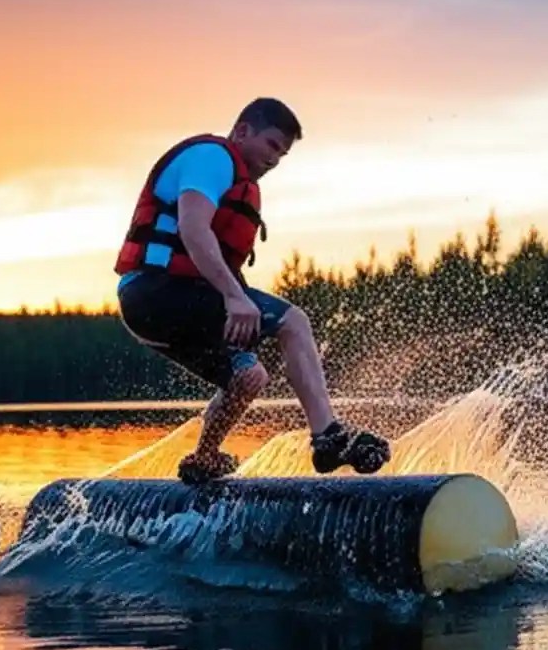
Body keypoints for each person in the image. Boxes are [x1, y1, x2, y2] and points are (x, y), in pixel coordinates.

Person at [113, 97, 391, 484]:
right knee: (293, 322)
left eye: (284, 153)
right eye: (272, 145)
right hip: (159, 291)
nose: (276, 159)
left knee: (249, 377)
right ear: (243, 131)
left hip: (155, 309)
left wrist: (232, 294)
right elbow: (193, 230)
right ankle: (328, 436)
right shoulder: (212, 158)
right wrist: (234, 296)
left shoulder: (233, 178)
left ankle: (204, 459)